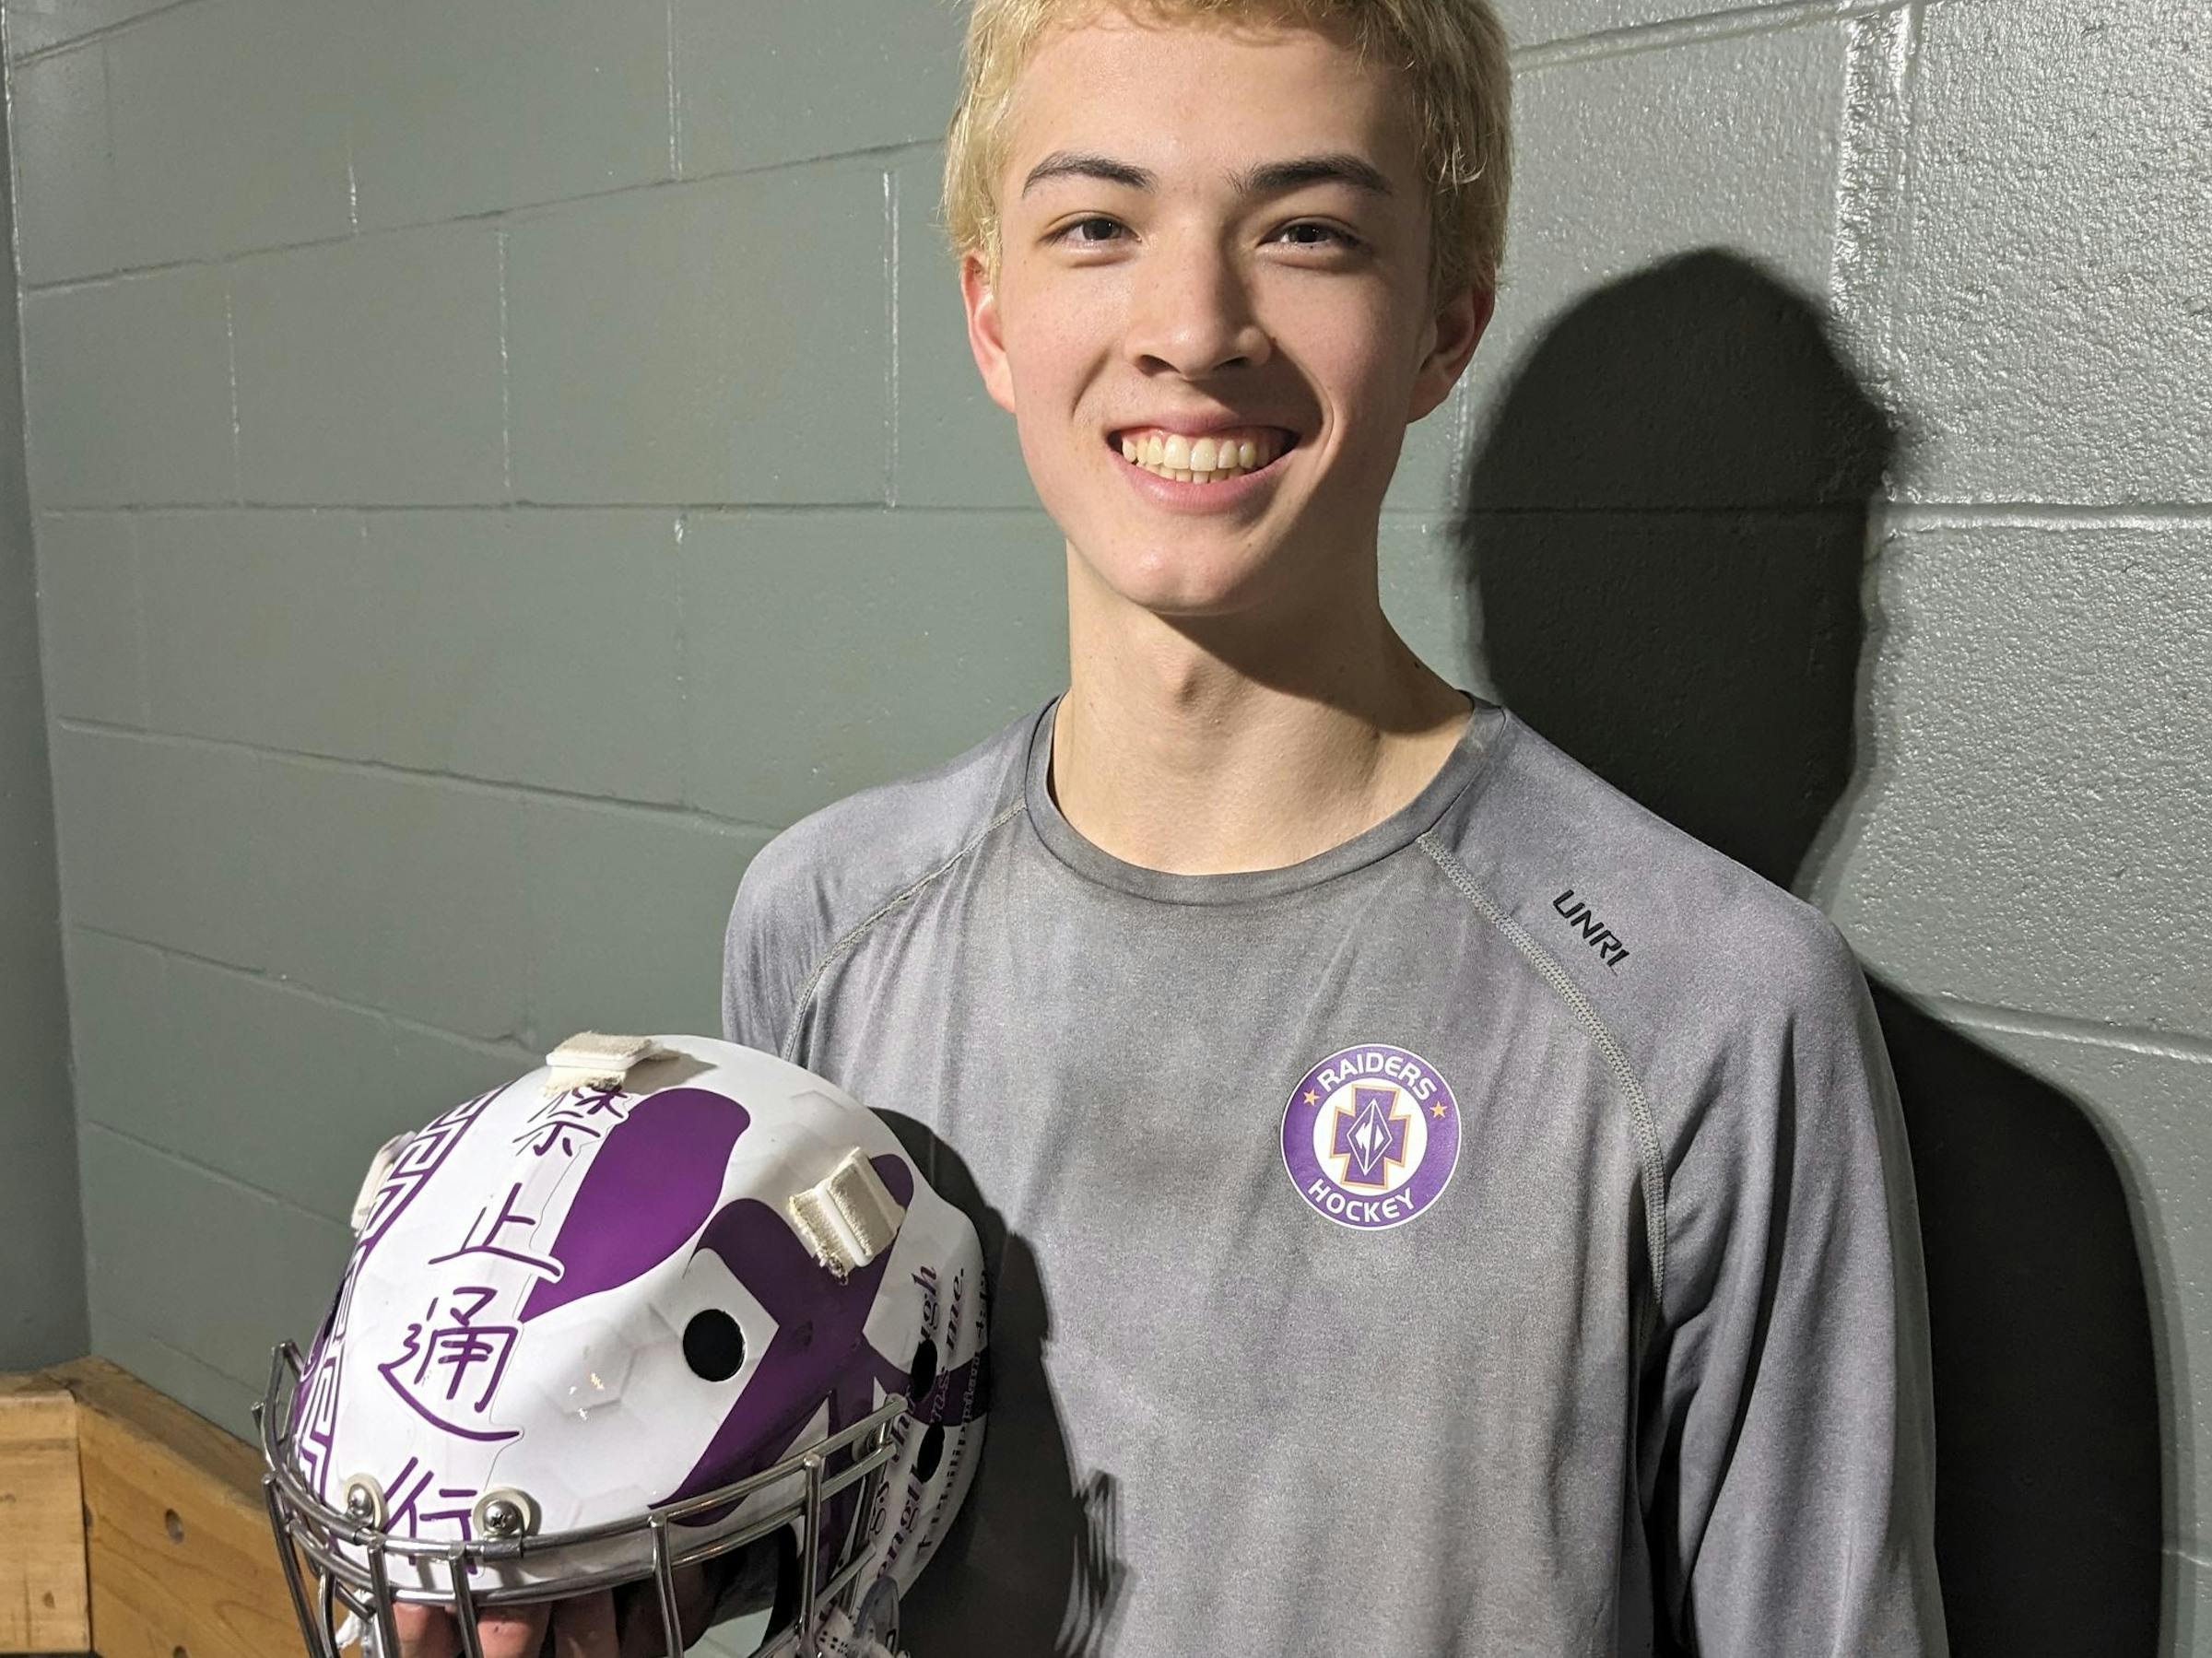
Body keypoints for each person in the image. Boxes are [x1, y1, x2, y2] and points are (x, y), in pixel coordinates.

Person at [403, 0, 1947, 1652]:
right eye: (1096, 225)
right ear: (993, 315)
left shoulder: (1713, 1012)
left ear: (1443, 323)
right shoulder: (821, 921)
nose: (1194, 324)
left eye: (1306, 231)